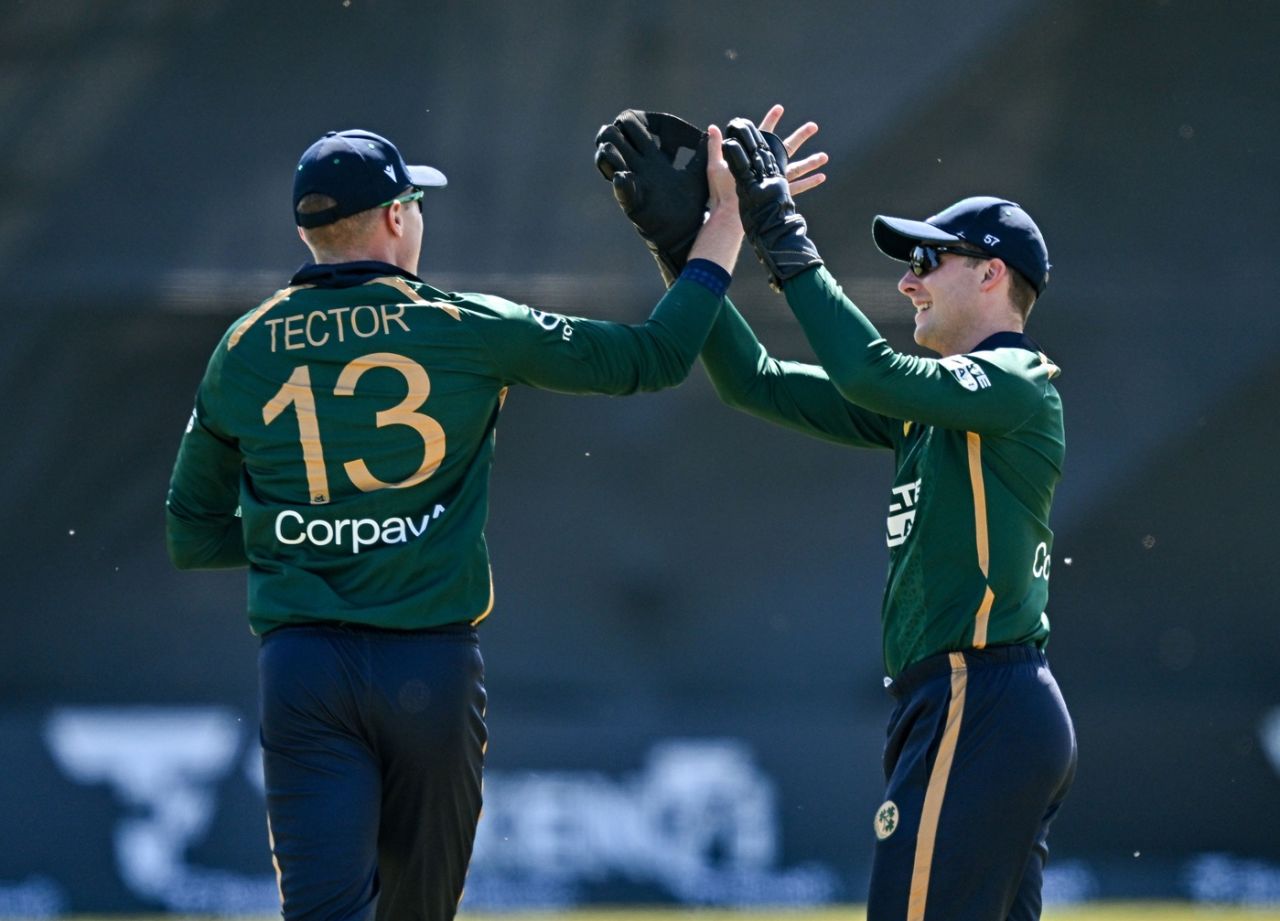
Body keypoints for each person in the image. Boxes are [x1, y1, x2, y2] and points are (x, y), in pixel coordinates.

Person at [164, 124, 744, 921]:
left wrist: (302, 535)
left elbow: (192, 533)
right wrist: (724, 225)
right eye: (416, 202)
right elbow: (657, 356)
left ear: (307, 232)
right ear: (395, 217)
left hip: (304, 669)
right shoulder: (465, 326)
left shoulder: (244, 347)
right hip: (428, 671)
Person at [697, 114, 1078, 920]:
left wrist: (782, 231)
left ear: (992, 274)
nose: (909, 282)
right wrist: (687, 246)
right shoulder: (932, 406)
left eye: (928, 260)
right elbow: (751, 380)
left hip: (979, 698)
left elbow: (867, 372)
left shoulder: (1015, 380)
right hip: (969, 705)